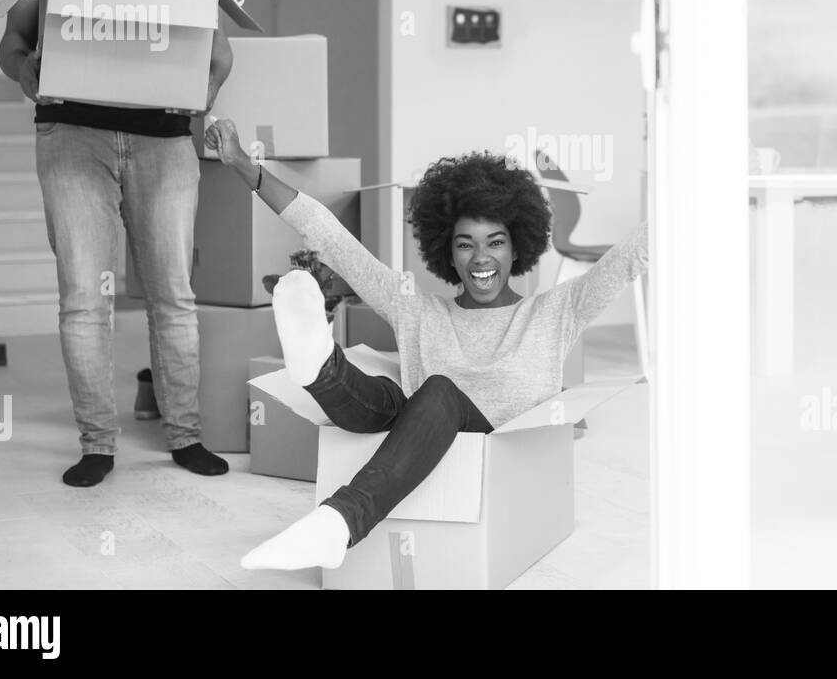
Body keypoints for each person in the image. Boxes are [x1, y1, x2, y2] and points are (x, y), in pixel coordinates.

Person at [201, 118, 648, 571]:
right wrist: (242, 163)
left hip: (495, 451)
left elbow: (633, 256)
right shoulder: (417, 308)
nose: (481, 259)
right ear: (447, 253)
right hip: (416, 436)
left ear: (517, 248)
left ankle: (340, 518)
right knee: (391, 398)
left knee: (437, 391)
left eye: (495, 242)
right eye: (465, 245)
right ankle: (318, 366)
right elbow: (330, 237)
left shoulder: (557, 311)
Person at [0, 0, 233, 487]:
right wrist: (26, 71)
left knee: (173, 294)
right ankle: (97, 442)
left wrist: (203, 91)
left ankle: (184, 435)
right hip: (73, 134)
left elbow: (218, 52)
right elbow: (13, 41)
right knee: (82, 297)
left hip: (165, 141)